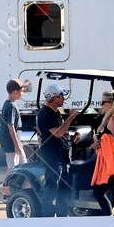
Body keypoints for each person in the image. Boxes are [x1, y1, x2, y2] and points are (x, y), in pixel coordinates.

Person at [35, 83, 79, 217]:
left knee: (63, 188)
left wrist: (71, 138)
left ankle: (62, 215)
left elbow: (61, 134)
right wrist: (71, 118)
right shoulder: (45, 113)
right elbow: (58, 133)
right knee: (52, 187)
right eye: (61, 96)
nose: (63, 99)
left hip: (61, 156)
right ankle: (47, 217)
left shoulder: (55, 112)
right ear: (54, 98)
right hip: (52, 158)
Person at [0, 79, 26, 169]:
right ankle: (9, 183)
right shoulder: (11, 106)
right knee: (13, 167)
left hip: (12, 141)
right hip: (11, 143)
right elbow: (11, 127)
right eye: (21, 91)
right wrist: (17, 145)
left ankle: (18, 182)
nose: (22, 94)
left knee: (23, 165)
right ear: (15, 92)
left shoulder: (9, 104)